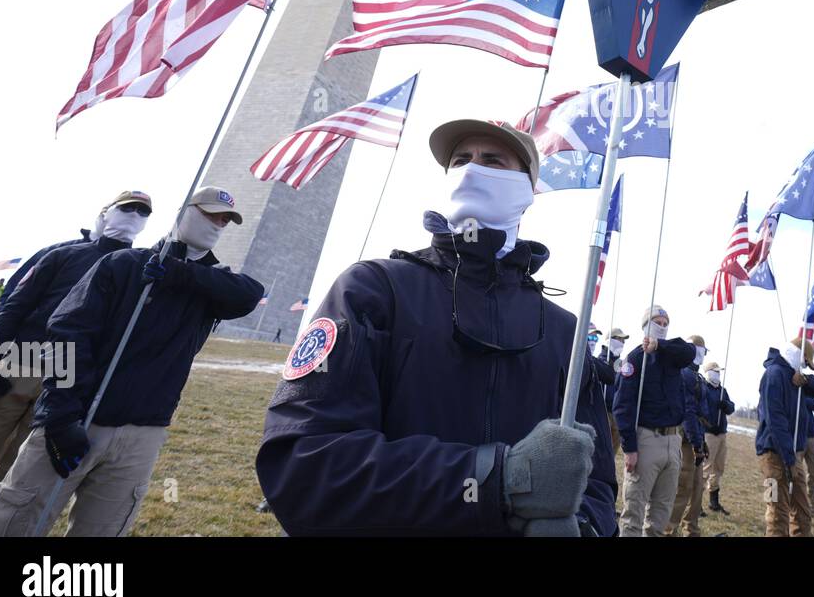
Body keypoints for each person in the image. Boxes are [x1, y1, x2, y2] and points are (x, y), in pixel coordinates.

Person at [256, 121, 617, 537]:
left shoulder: (564, 332)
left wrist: (583, 525)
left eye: (492, 160)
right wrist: (495, 480)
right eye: (461, 160)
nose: (471, 169)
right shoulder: (374, 289)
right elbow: (305, 461)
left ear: (526, 190)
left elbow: (595, 482)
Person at [0, 186, 261, 537]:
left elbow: (249, 293)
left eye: (225, 220)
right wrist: (62, 414)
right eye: (210, 214)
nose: (217, 224)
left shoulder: (209, 286)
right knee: (13, 517)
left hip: (143, 432)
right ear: (184, 212)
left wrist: (178, 272)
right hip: (78, 415)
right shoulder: (122, 264)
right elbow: (66, 334)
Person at [0, 191, 153, 506]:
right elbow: (14, 307)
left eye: (142, 212)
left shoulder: (139, 269)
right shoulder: (62, 254)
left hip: (69, 376)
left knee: (16, 474)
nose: (134, 215)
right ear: (106, 213)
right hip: (21, 360)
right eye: (127, 208)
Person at [614, 305, 695, 537]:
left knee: (661, 515)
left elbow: (688, 351)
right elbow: (623, 406)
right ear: (645, 325)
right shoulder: (635, 358)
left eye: (665, 323)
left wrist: (660, 346)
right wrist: (630, 448)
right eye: (656, 322)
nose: (661, 326)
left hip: (672, 441)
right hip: (646, 440)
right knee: (634, 514)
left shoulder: (673, 356)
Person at [756, 338, 814, 537]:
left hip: (792, 456)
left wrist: (805, 379)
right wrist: (789, 457)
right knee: (777, 512)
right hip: (773, 456)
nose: (805, 367)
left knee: (803, 512)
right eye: (805, 362)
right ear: (799, 355)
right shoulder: (774, 374)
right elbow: (775, 420)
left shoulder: (796, 378)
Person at [665, 334, 708, 537]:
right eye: (699, 349)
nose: (702, 354)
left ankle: (691, 530)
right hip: (686, 440)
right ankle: (669, 530)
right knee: (682, 488)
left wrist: (702, 441)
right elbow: (689, 412)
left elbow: (699, 414)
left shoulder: (697, 376)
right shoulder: (685, 374)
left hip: (696, 438)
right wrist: (696, 442)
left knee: (697, 488)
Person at [702, 360, 734, 516]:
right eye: (715, 371)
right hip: (709, 434)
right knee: (705, 468)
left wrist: (726, 406)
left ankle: (714, 501)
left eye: (719, 372)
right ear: (708, 372)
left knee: (718, 468)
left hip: (722, 433)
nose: (718, 374)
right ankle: (696, 503)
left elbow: (731, 407)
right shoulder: (703, 388)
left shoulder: (723, 390)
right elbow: (702, 410)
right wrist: (709, 424)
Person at [598, 327, 628, 454]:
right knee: (601, 447)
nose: (622, 342)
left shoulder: (623, 364)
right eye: (619, 339)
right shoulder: (600, 360)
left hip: (617, 410)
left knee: (612, 450)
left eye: (623, 340)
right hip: (602, 409)